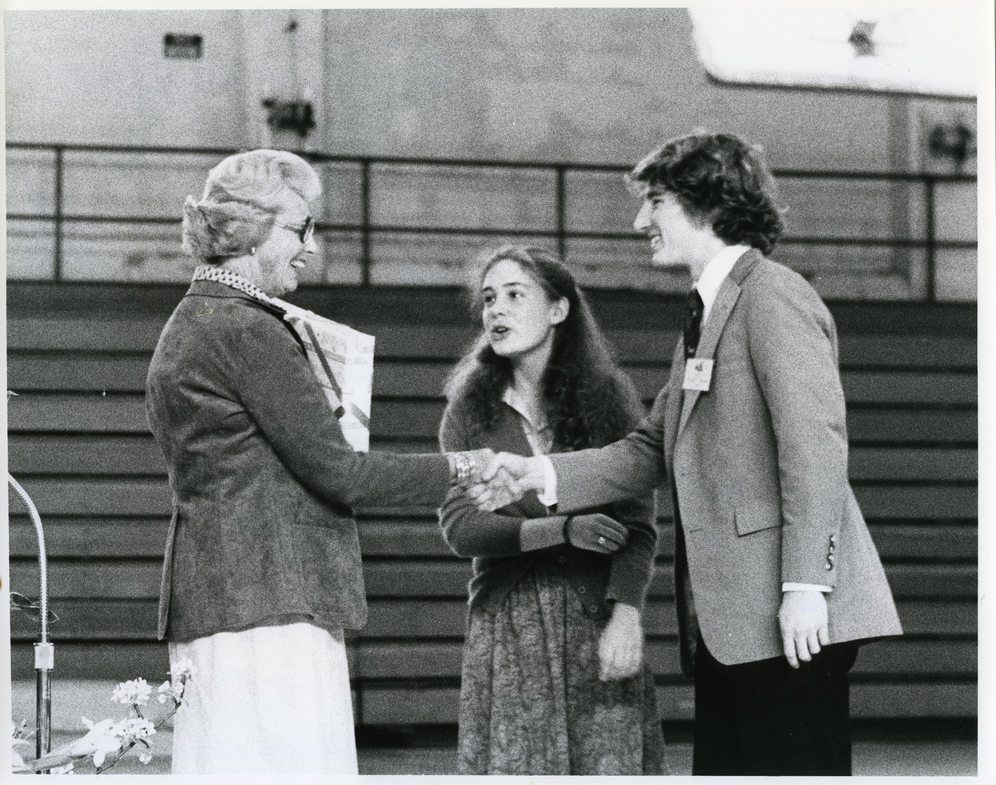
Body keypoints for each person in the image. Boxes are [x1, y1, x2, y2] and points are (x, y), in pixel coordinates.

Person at [473, 132, 903, 776]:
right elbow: (653, 447)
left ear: (707, 202)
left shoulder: (772, 295)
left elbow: (814, 449)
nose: (640, 220)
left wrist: (808, 585)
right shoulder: (706, 311)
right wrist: (538, 471)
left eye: (655, 201)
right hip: (734, 624)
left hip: (786, 615)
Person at [144, 149, 491, 775]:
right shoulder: (246, 328)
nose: (311, 246)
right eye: (300, 227)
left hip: (231, 597)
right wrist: (463, 468)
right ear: (250, 232)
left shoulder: (197, 318)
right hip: (268, 602)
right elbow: (340, 473)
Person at [438, 245, 667, 775]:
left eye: (516, 295)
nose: (496, 310)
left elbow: (638, 526)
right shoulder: (469, 409)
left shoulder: (608, 399)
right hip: (510, 624)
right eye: (489, 299)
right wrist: (563, 530)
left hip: (598, 618)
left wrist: (628, 615)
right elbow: (464, 527)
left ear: (558, 309)